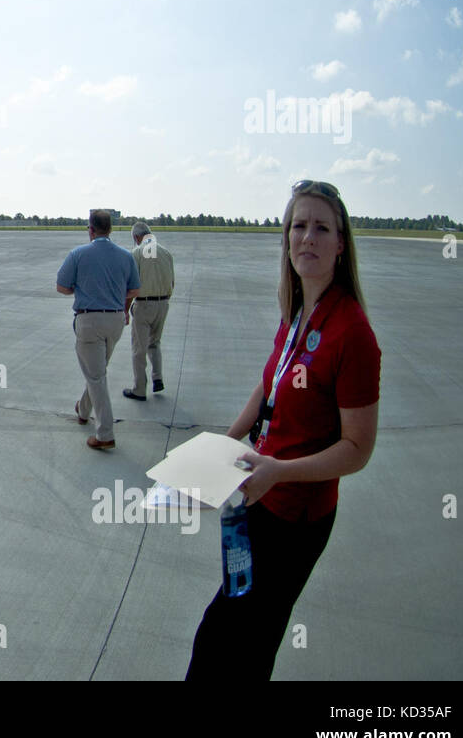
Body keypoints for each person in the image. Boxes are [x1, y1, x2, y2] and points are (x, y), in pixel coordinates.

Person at [186, 180, 380, 680]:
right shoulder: (298, 311)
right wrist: (225, 444)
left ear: (341, 243)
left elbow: (357, 449)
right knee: (234, 638)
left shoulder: (352, 333)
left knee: (234, 643)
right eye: (299, 226)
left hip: (294, 517)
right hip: (258, 497)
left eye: (321, 227)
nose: (307, 237)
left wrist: (279, 471)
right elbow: (267, 386)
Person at [55, 210, 141, 449]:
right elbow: (134, 290)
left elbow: (62, 287)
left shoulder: (78, 254)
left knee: (96, 377)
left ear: (90, 230)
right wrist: (116, 299)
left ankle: (105, 434)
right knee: (97, 372)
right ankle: (83, 410)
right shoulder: (126, 256)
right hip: (115, 320)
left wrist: (83, 288)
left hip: (89, 320)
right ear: (110, 229)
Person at [122, 221, 175, 401]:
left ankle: (139, 388)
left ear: (137, 237)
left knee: (139, 348)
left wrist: (125, 310)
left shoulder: (136, 254)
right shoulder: (166, 252)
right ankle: (157, 377)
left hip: (144, 305)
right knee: (155, 343)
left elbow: (131, 287)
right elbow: (172, 282)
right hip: (163, 303)